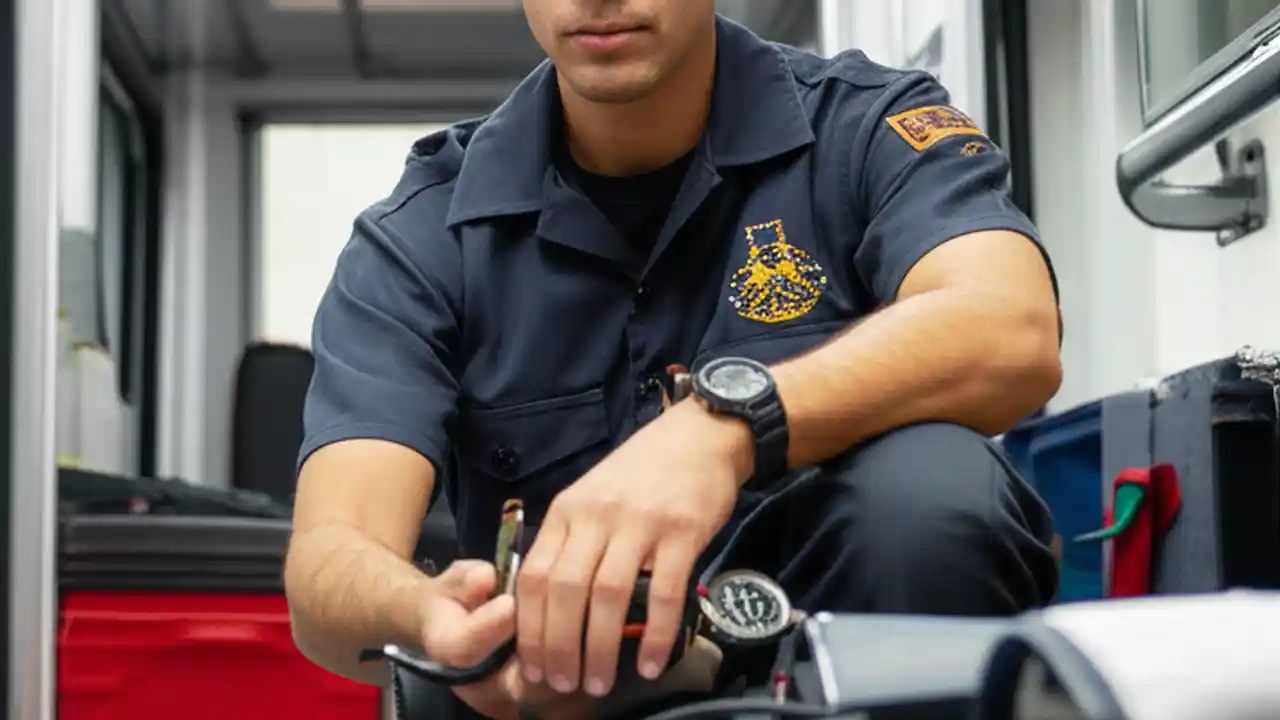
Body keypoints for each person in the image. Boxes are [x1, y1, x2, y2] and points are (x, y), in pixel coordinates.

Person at [283, 1, 1063, 718]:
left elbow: (1011, 328)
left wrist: (724, 429)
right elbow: (329, 560)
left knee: (935, 484)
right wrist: (431, 616)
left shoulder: (869, 130)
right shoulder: (420, 237)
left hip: (841, 681)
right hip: (560, 697)